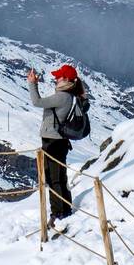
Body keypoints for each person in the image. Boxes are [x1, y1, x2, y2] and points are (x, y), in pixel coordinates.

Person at [26, 63, 89, 224]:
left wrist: (32, 83)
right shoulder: (70, 95)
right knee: (60, 176)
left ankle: (59, 213)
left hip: (52, 141)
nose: (56, 78)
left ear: (66, 79)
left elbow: (37, 102)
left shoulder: (62, 96)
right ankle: (65, 209)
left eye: (59, 76)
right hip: (59, 141)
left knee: (54, 178)